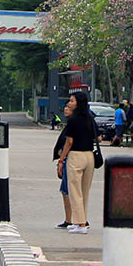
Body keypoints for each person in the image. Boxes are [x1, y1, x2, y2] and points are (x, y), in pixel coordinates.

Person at [56, 90, 98, 234]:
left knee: (74, 191)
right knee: (85, 191)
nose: (69, 103)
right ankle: (82, 222)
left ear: (78, 103)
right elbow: (97, 138)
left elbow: (69, 142)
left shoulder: (73, 120)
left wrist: (61, 159)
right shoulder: (90, 118)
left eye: (72, 101)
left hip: (76, 156)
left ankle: (79, 224)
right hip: (89, 157)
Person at [52, 98, 76, 229]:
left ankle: (73, 219)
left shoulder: (73, 124)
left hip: (70, 159)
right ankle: (71, 219)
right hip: (67, 159)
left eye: (69, 107)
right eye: (66, 107)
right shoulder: (70, 124)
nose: (66, 109)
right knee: (67, 190)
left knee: (68, 190)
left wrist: (62, 159)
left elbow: (69, 142)